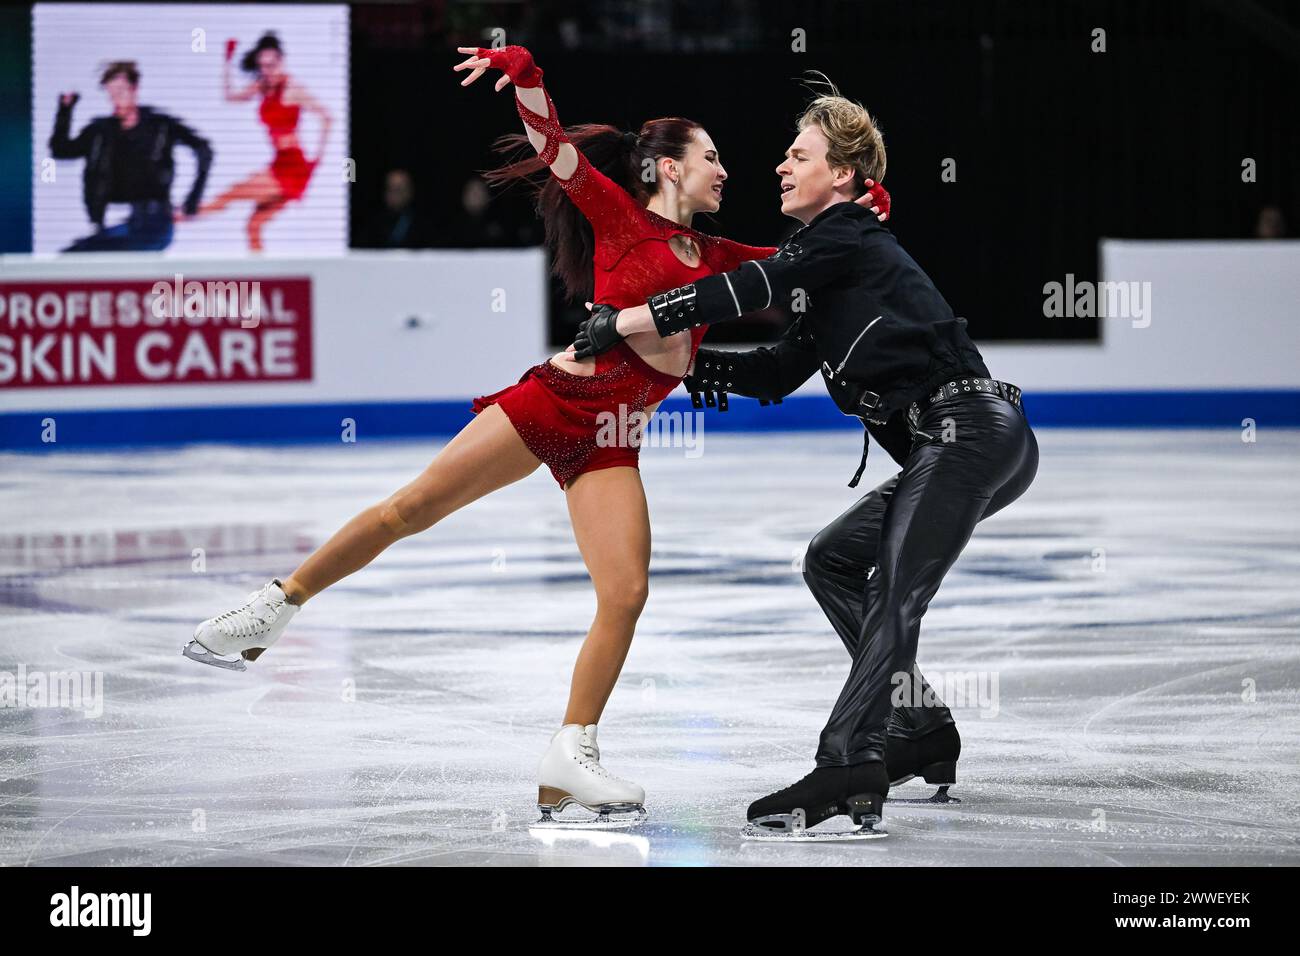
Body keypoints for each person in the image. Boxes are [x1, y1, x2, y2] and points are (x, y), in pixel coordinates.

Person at [183, 45, 890, 830]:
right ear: (667, 168)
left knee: (625, 593)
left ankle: (569, 756)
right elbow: (554, 149)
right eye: (711, 158)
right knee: (409, 509)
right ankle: (275, 605)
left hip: (613, 439)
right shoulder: (619, 217)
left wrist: (862, 214)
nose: (726, 171)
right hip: (552, 405)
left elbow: (803, 264)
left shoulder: (719, 257)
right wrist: (526, 77)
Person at [574, 77, 1037, 840]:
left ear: (844, 175)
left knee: (896, 590)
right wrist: (673, 362)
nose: (781, 167)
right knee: (832, 559)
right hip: (957, 440)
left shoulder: (846, 234)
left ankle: (848, 761)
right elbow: (772, 373)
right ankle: (919, 728)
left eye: (799, 156)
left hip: (970, 429)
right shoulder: (829, 271)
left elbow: (751, 285)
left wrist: (631, 320)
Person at [188, 33, 331, 250]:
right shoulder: (262, 86)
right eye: (262, 66)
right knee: (253, 226)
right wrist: (227, 62)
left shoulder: (292, 88)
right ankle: (262, 272)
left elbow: (326, 117)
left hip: (291, 168)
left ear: (281, 62)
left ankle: (185, 214)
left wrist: (316, 161)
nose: (267, 71)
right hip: (280, 163)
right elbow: (230, 97)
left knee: (230, 195)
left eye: (271, 65)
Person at [48, 61, 212, 251]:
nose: (116, 99)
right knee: (74, 256)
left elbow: (203, 149)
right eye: (111, 93)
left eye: (121, 91)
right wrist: (65, 110)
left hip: (153, 221)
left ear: (134, 89)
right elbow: (61, 150)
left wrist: (192, 201)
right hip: (110, 222)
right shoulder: (99, 131)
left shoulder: (160, 125)